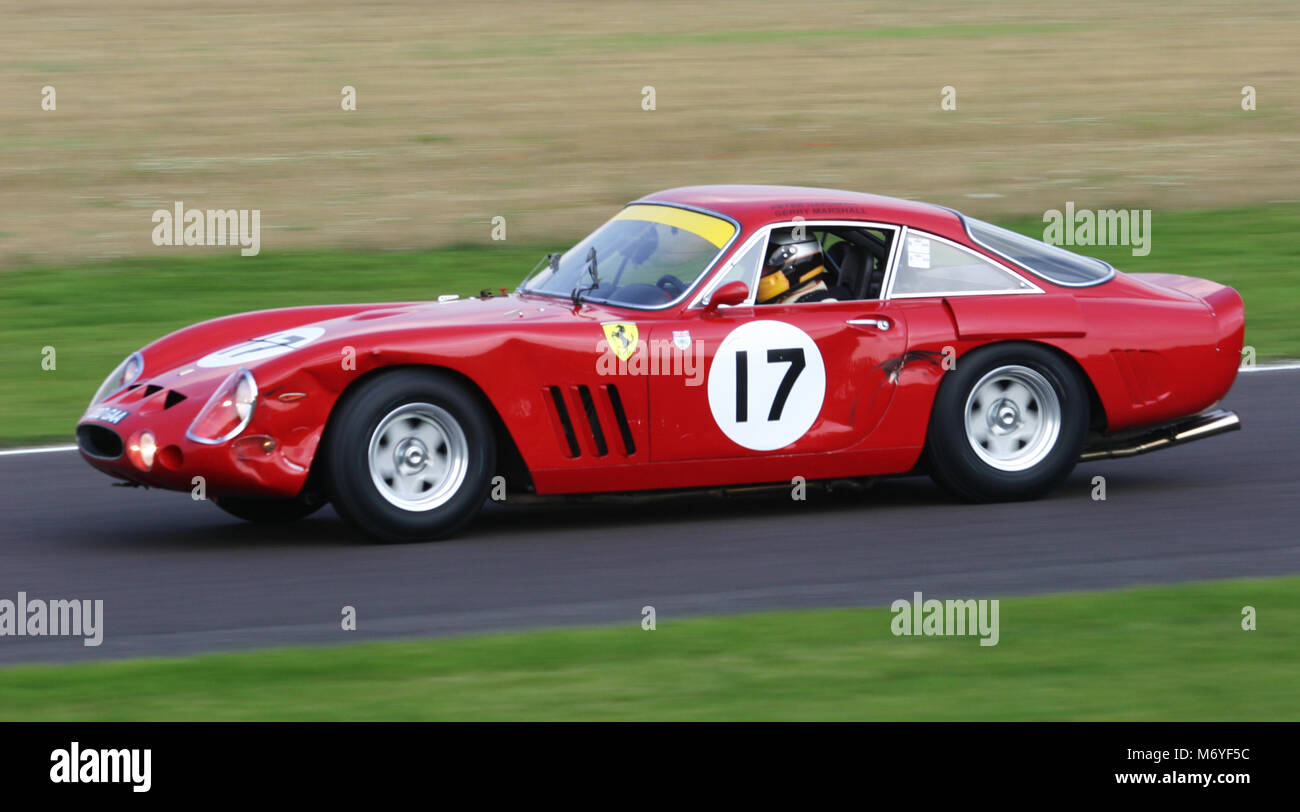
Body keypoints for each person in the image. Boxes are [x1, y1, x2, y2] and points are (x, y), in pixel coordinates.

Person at [755, 231, 848, 304]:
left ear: (795, 264)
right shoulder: (784, 301)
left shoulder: (822, 305)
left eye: (767, 266)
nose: (761, 271)